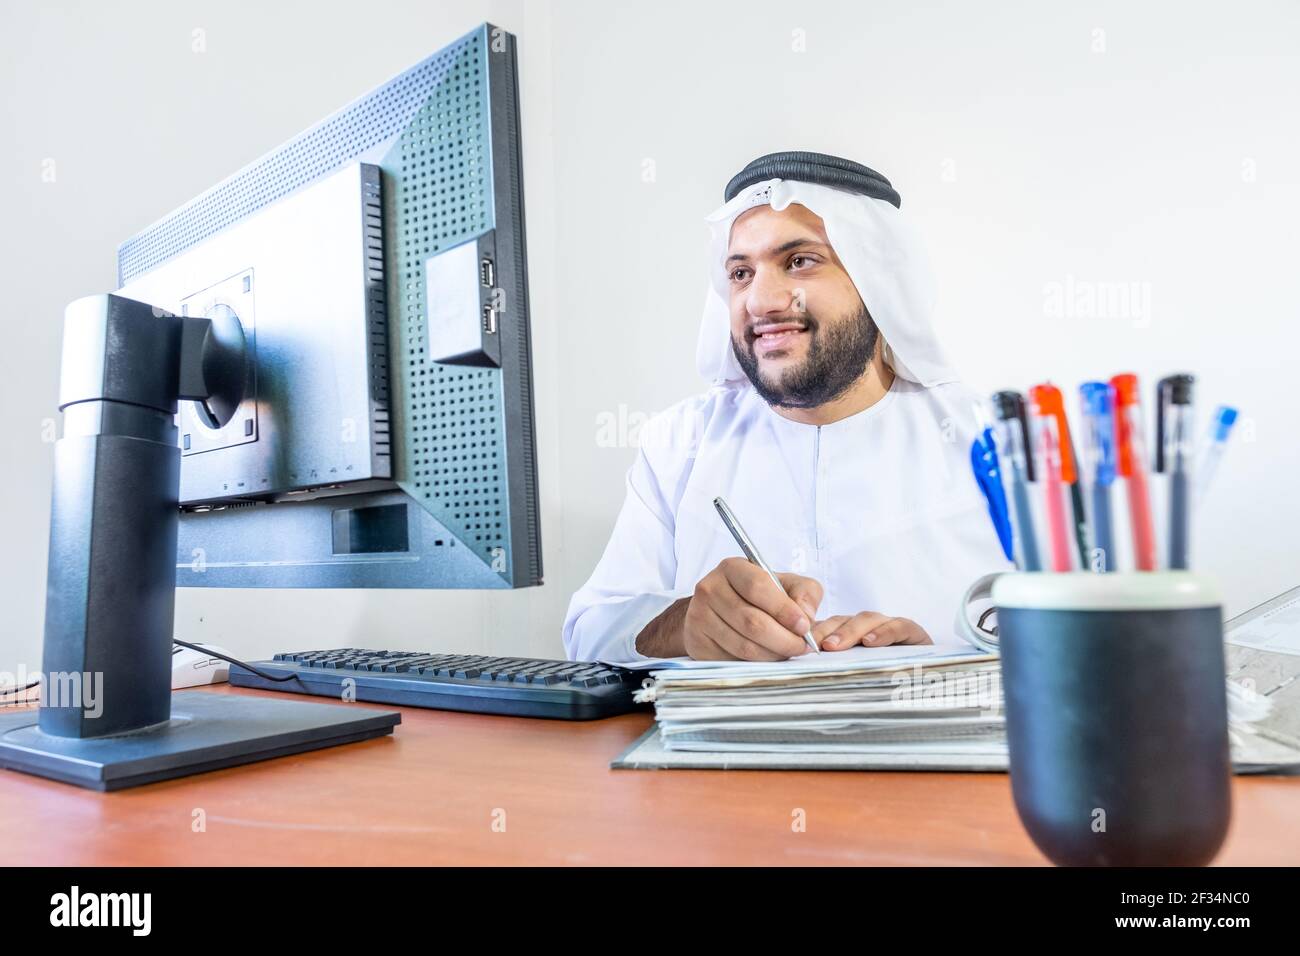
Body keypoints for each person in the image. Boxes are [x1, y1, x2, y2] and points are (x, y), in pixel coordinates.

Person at [563, 152, 1010, 663]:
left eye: (799, 261)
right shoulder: (680, 443)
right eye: (740, 273)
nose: (761, 301)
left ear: (877, 283)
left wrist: (937, 654)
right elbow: (586, 635)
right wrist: (682, 625)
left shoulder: (997, 440)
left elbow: (1090, 639)